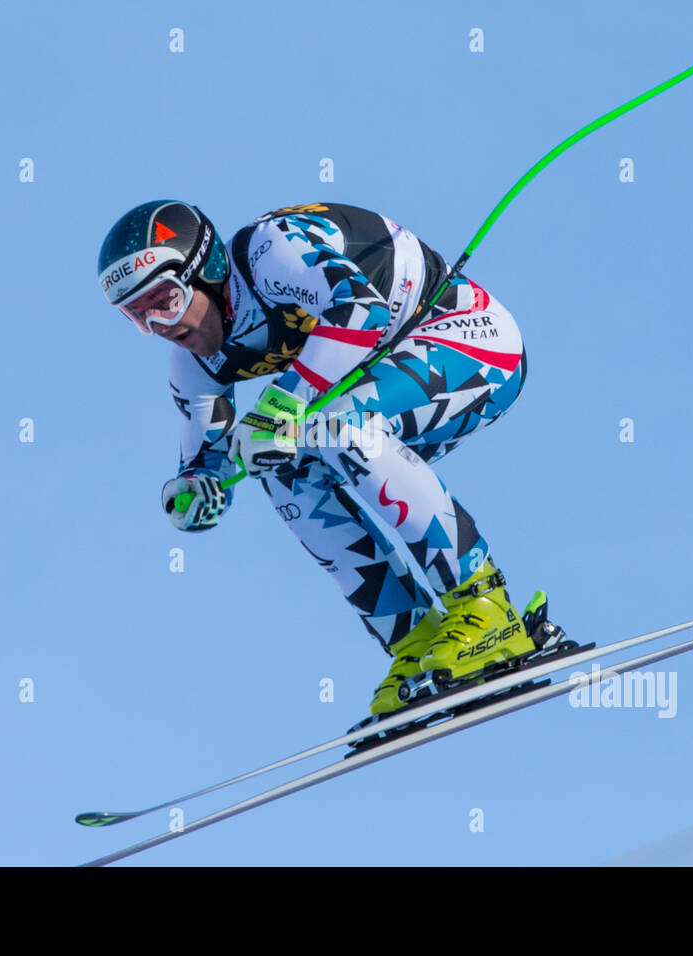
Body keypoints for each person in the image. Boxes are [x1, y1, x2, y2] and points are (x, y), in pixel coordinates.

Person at [97, 200, 560, 717]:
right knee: (278, 460)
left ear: (206, 270)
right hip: (382, 386)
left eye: (166, 300)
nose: (160, 325)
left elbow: (362, 310)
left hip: (470, 340)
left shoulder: (269, 251)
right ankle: (414, 637)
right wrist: (196, 492)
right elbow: (209, 463)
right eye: (137, 316)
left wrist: (281, 403)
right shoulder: (191, 362)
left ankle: (484, 605)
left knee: (333, 423)